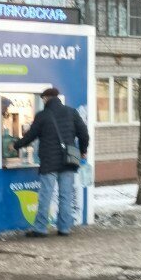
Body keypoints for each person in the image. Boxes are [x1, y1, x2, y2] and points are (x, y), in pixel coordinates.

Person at [12, 87, 89, 237]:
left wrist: (15, 145)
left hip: (49, 161)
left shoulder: (42, 115)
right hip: (69, 160)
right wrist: (83, 150)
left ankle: (40, 228)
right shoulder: (71, 112)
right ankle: (64, 228)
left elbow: (30, 137)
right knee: (66, 195)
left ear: (46, 98)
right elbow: (84, 133)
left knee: (45, 195)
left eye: (43, 99)